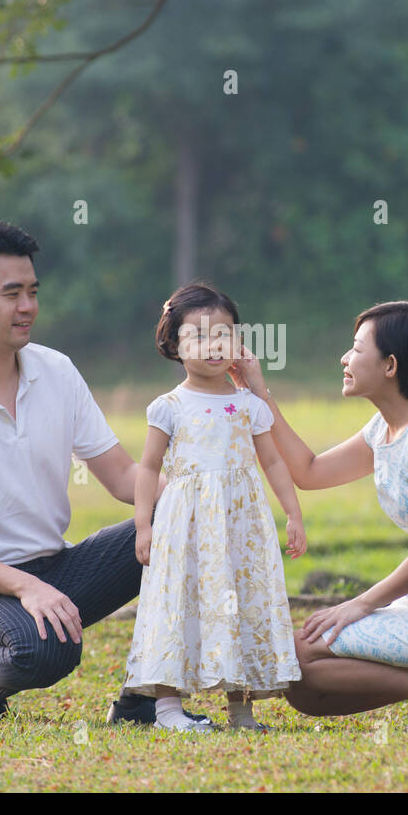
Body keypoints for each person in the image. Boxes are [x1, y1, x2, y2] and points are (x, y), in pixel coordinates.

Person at [0, 216, 198, 723]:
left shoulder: (56, 371)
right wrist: (25, 588)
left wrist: (193, 500)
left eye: (33, 291)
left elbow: (124, 476)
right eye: (12, 293)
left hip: (52, 567)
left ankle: (142, 698)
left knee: (180, 518)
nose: (29, 307)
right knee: (48, 647)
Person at [227, 300, 408, 729]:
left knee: (301, 655)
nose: (345, 358)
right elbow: (309, 471)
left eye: (356, 349)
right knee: (306, 692)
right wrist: (257, 391)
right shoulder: (385, 429)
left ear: (390, 365)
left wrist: (358, 605)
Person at [123, 283, 305, 731]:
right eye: (199, 336)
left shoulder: (250, 406)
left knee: (241, 604)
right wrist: (142, 524)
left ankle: (241, 709)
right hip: (183, 526)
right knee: (178, 604)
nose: (214, 345)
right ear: (173, 344)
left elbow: (274, 461)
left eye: (224, 334)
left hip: (241, 526)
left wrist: (293, 512)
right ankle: (167, 709)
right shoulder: (168, 407)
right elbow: (147, 468)